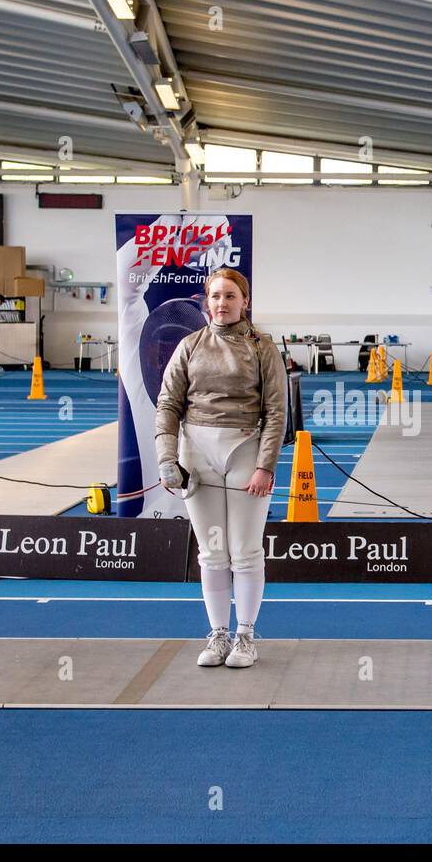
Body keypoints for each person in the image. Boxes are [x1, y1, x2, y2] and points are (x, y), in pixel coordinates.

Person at [155, 269, 286, 669]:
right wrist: (166, 457)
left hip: (244, 451)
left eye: (230, 295)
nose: (221, 303)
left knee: (245, 551)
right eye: (215, 296)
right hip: (197, 454)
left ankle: (245, 635)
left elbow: (277, 411)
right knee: (212, 553)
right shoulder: (189, 345)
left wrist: (265, 466)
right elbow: (168, 405)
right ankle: (218, 634)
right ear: (205, 300)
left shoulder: (263, 347)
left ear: (244, 301)